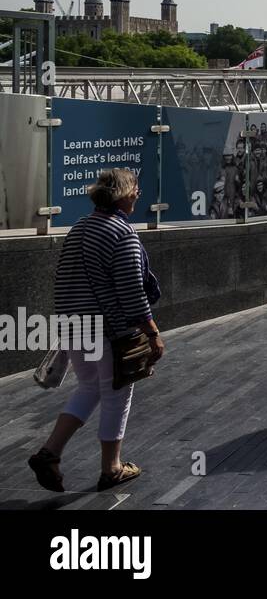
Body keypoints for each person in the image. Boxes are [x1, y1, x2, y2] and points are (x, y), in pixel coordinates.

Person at [28, 169, 164, 494]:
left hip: (75, 325)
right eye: (135, 189)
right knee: (118, 393)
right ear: (121, 194)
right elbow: (132, 290)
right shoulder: (121, 232)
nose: (138, 195)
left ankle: (49, 453)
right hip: (108, 328)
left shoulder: (79, 228)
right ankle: (112, 468)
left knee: (89, 388)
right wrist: (152, 332)